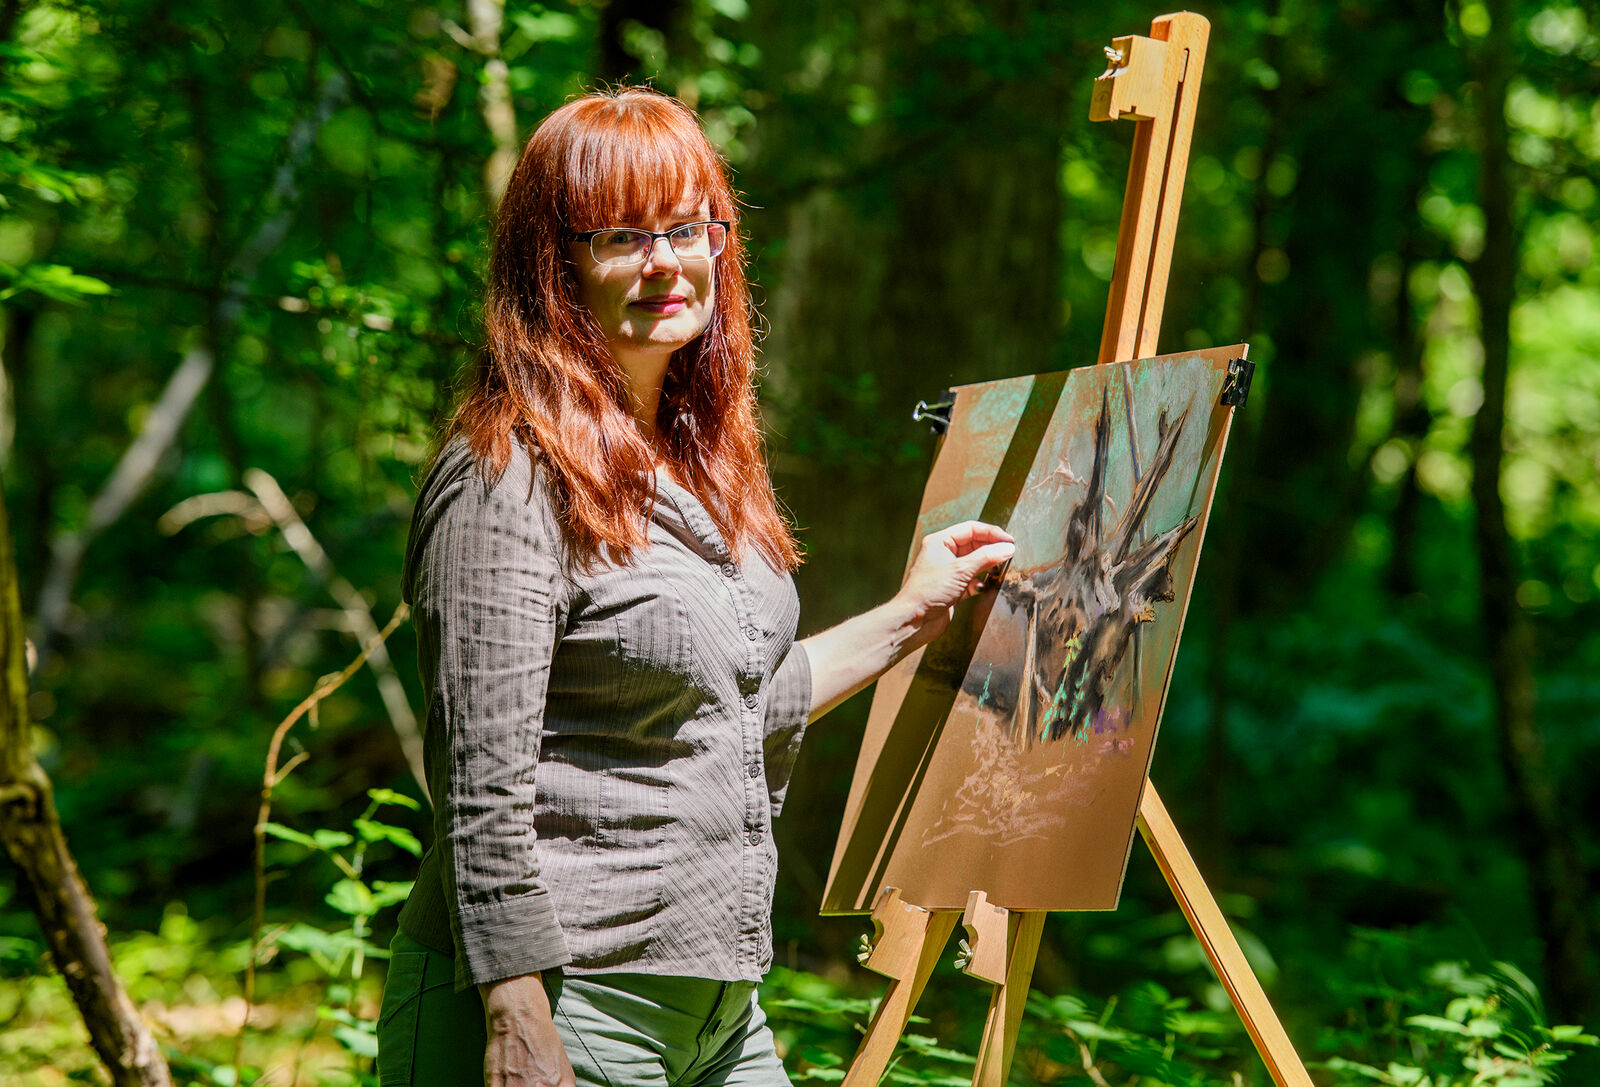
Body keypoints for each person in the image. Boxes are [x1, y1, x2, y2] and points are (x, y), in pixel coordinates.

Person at [375, 86, 1014, 1087]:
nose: (664, 260)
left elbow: (736, 698)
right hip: (564, 999)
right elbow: (477, 780)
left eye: (685, 227)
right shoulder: (507, 471)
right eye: (621, 235)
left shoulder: (697, 463)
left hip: (718, 1006)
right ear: (555, 264)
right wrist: (514, 1013)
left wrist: (913, 614)